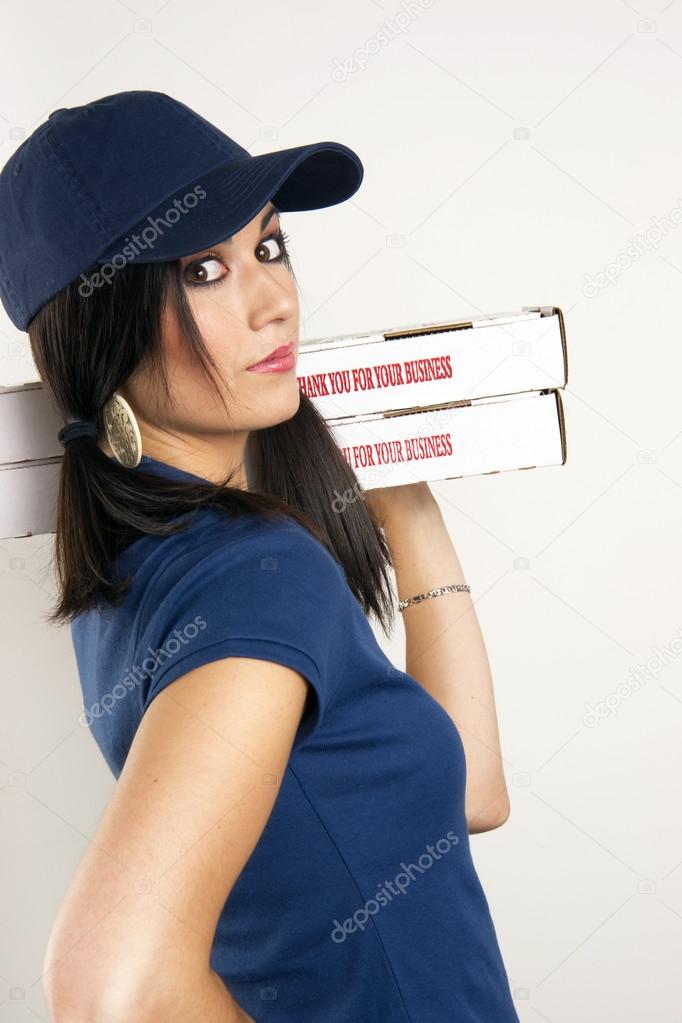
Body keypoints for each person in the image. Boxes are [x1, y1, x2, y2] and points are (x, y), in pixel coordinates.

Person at [0, 90, 520, 1023]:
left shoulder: (147, 570)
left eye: (269, 247)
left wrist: (406, 506)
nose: (276, 300)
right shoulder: (256, 577)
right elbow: (106, 988)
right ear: (103, 328)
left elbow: (468, 794)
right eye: (204, 268)